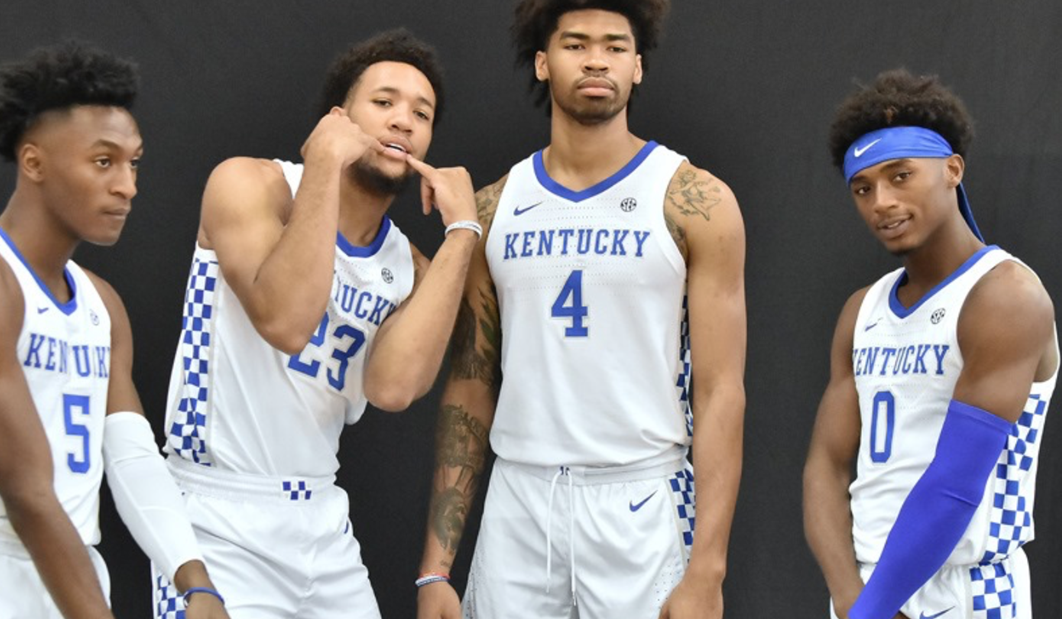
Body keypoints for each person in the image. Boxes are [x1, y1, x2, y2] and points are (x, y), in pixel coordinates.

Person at [416, 1, 747, 617]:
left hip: (639, 499)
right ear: (543, 62)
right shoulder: (493, 209)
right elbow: (470, 383)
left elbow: (721, 391)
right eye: (575, 44)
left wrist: (708, 568)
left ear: (639, 67)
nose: (597, 59)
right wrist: (435, 568)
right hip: (521, 497)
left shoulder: (693, 199)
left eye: (615, 46)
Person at [0, 41, 228, 618]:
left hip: (70, 573)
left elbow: (131, 458)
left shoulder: (101, 304)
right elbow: (26, 491)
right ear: (34, 162)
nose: (128, 185)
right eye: (103, 161)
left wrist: (195, 583)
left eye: (133, 162)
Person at [154, 29, 478, 617]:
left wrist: (462, 234)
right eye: (383, 103)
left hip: (322, 521)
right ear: (339, 117)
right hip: (216, 513)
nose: (403, 121)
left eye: (420, 113)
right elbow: (285, 320)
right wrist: (325, 161)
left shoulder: (411, 267)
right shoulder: (252, 184)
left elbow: (393, 390)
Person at [803, 69, 1058, 619]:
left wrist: (871, 609)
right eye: (863, 188)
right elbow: (825, 466)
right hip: (866, 588)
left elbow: (954, 486)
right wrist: (851, 597)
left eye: (900, 175)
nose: (881, 202)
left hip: (968, 589)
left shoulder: (1004, 294)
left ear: (952, 170)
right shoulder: (862, 310)